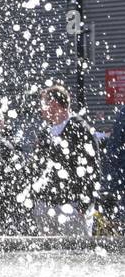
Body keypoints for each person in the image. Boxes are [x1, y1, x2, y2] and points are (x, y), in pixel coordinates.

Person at [29, 84, 99, 235]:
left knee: (76, 254)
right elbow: (37, 167)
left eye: (42, 104)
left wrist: (82, 206)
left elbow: (93, 170)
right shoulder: (45, 133)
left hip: (72, 206)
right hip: (46, 205)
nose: (40, 109)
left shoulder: (80, 130)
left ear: (53, 104)